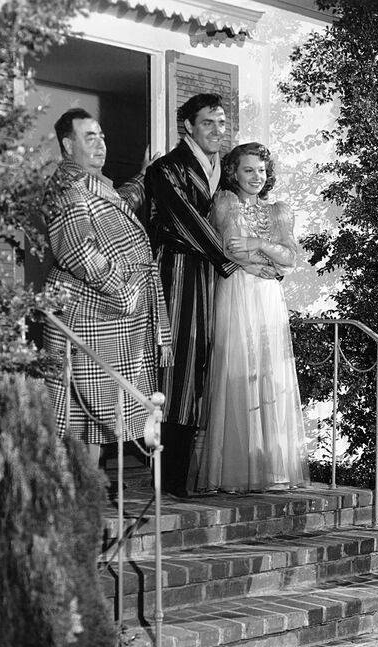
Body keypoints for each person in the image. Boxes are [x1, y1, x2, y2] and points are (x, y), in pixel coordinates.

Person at [43, 108, 171, 465]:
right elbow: (78, 251)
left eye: (101, 136)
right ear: (68, 145)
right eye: (90, 137)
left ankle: (83, 497)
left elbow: (122, 201)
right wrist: (123, 289)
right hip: (88, 315)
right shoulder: (67, 190)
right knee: (78, 414)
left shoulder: (93, 184)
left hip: (105, 319)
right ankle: (67, 501)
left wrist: (144, 176)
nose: (100, 144)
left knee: (92, 418)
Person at [192, 142, 309, 492]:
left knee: (271, 374)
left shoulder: (279, 211)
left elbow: (290, 257)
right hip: (238, 291)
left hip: (269, 297)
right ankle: (231, 471)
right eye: (248, 170)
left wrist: (258, 245)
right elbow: (229, 248)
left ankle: (270, 468)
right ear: (234, 172)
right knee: (236, 368)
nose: (256, 176)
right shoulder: (225, 202)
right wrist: (270, 260)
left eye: (261, 170)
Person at [145, 93, 239, 496]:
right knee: (180, 364)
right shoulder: (167, 169)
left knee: (205, 363)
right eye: (208, 124)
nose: (217, 131)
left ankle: (192, 472)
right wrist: (234, 261)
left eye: (221, 123)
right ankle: (169, 479)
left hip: (213, 274)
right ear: (188, 126)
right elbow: (187, 220)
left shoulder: (225, 172)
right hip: (180, 270)